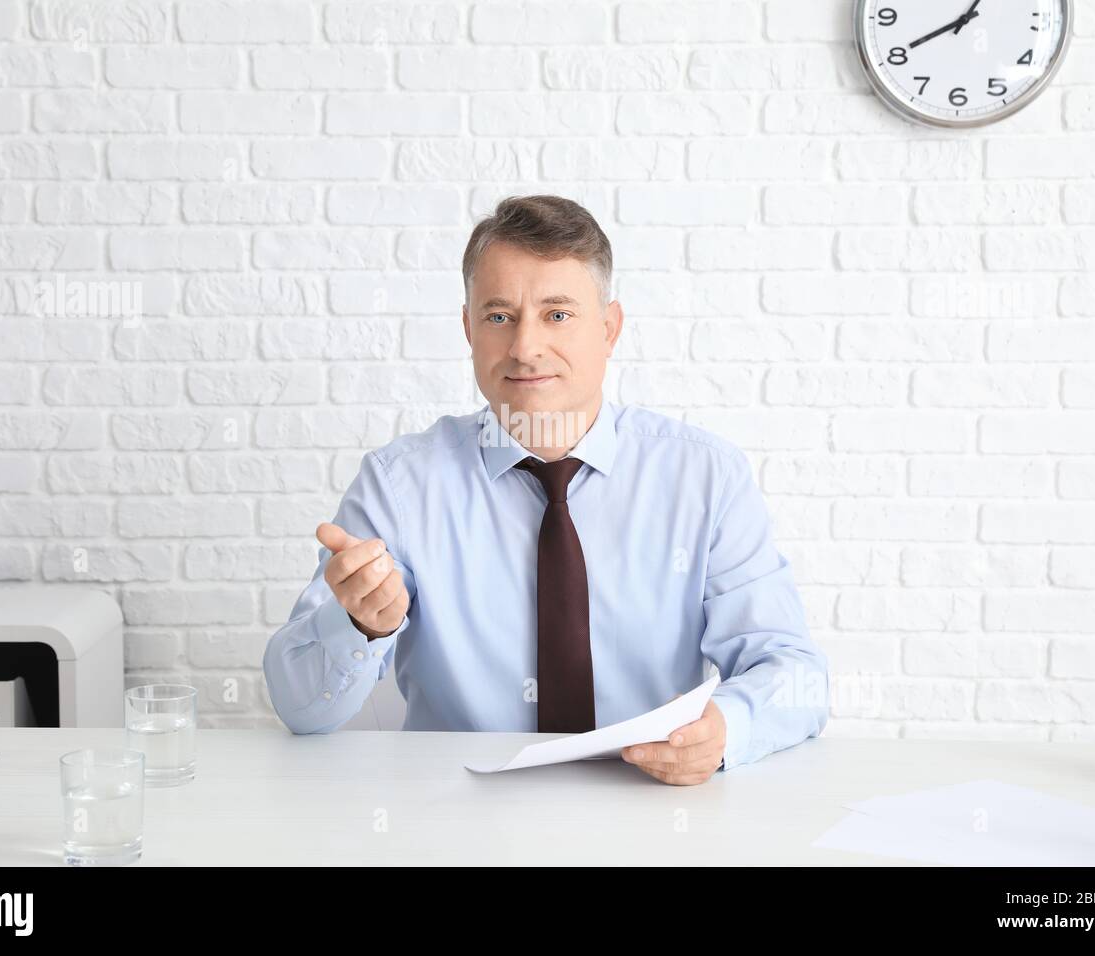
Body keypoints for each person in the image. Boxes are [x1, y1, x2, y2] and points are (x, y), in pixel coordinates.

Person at [263, 195, 828, 785]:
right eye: (499, 316)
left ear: (609, 329)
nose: (526, 347)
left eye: (557, 314)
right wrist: (359, 626)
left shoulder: (705, 478)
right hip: (458, 819)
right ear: (468, 329)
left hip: (650, 812)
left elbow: (794, 673)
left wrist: (726, 730)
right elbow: (301, 710)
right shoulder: (399, 486)